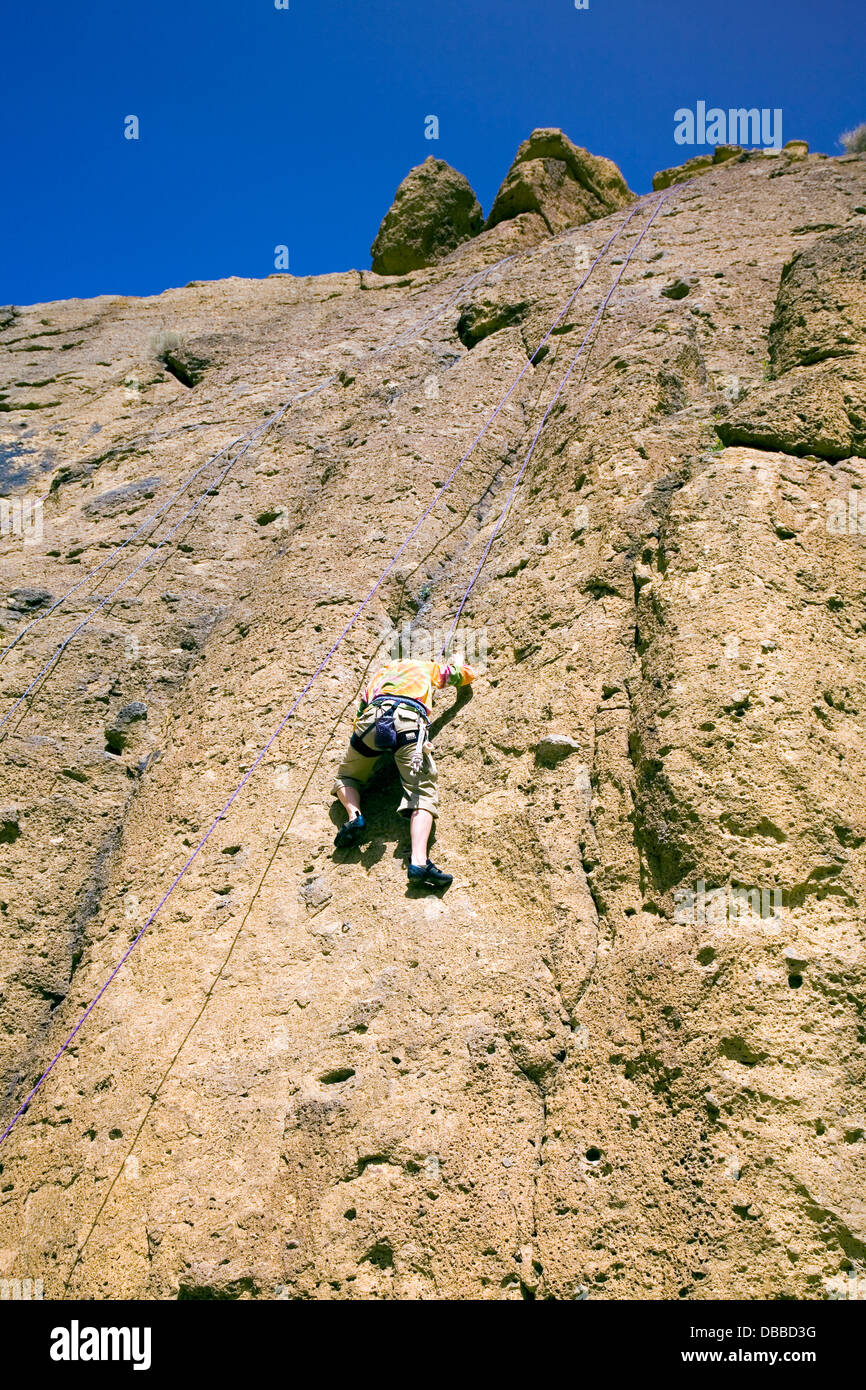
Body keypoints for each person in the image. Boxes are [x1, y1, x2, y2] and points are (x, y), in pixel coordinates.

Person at [332, 654, 475, 888]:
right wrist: (464, 667)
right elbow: (462, 675)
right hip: (409, 723)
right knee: (422, 793)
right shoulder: (427, 668)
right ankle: (419, 861)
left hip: (372, 721)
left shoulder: (379, 675)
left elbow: (360, 712)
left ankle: (354, 816)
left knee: (347, 776)